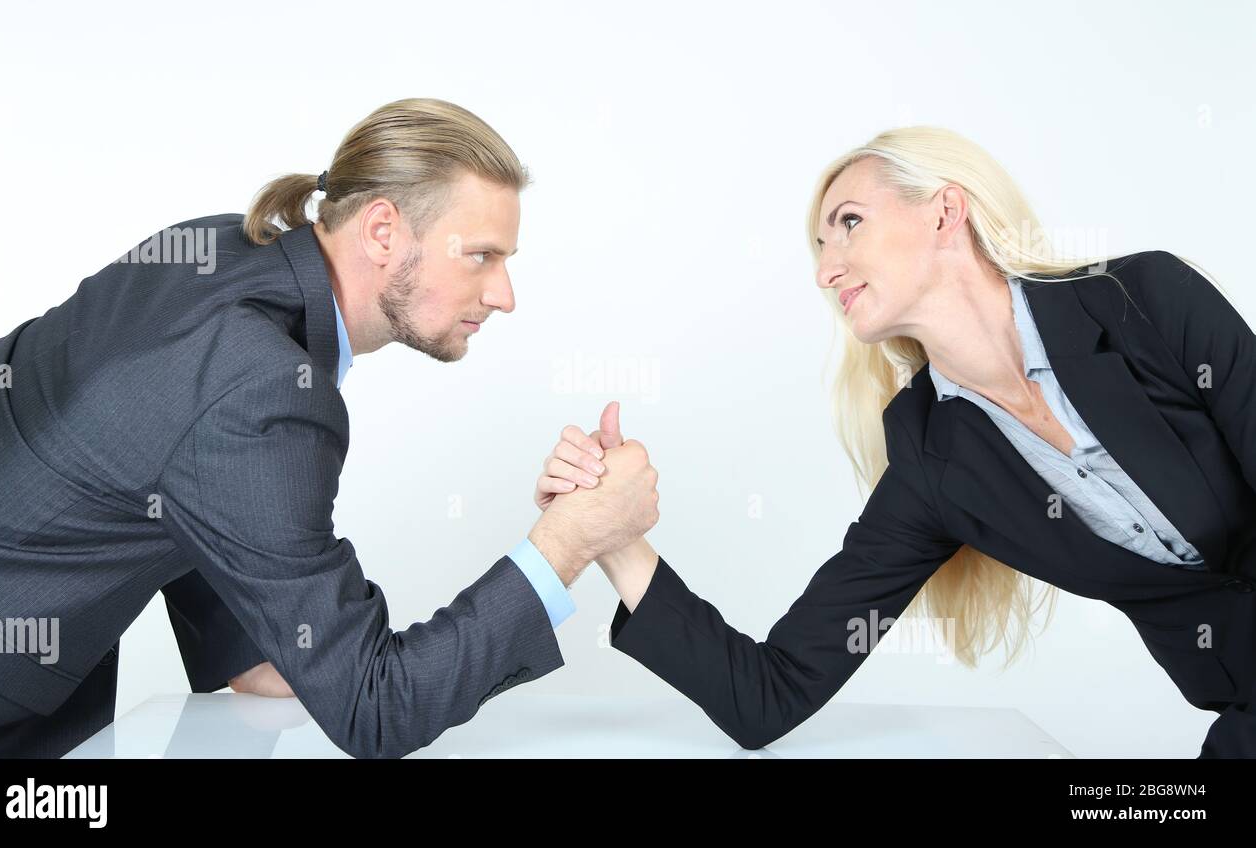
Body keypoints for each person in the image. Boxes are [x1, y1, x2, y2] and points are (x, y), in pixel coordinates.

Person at [0, 97, 659, 758]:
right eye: (481, 255)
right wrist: (567, 543)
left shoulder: (216, 247)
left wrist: (265, 646)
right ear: (383, 231)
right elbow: (378, 708)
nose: (504, 295)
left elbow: (165, 456)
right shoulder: (263, 390)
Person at [535, 126, 1256, 757]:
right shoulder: (933, 468)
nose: (826, 269)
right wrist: (613, 537)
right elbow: (769, 696)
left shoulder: (1146, 301)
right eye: (818, 248)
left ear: (946, 211)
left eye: (849, 223)